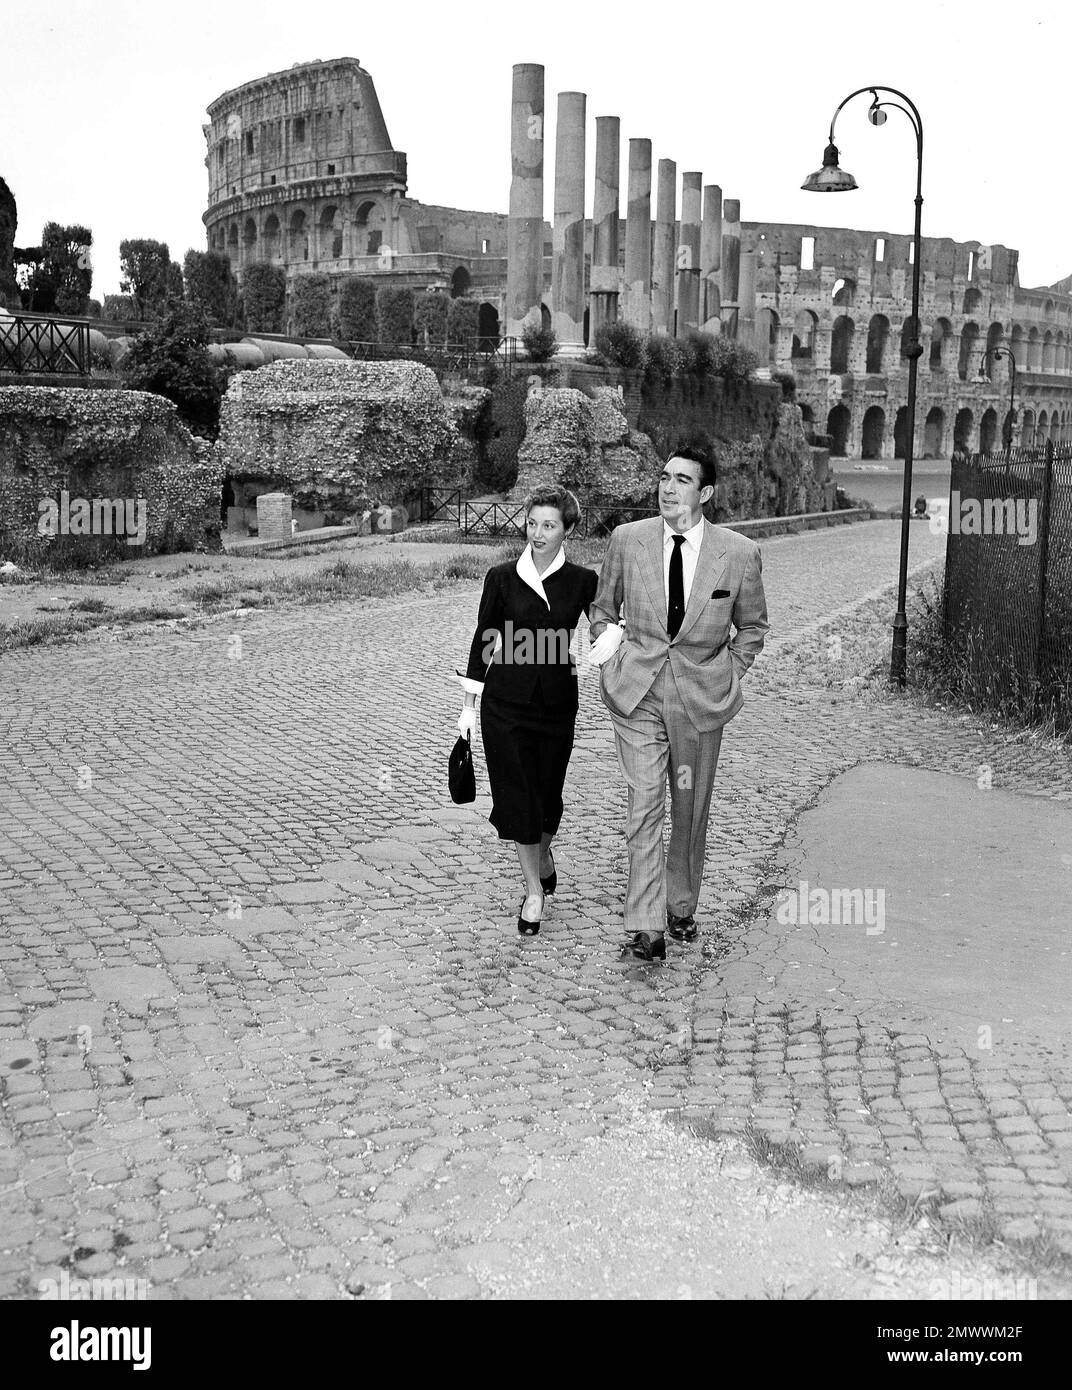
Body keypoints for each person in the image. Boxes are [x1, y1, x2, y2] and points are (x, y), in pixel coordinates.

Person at [588, 446, 770, 962]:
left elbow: (753, 627)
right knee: (644, 802)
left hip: (700, 698)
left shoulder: (737, 553)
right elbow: (602, 609)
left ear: (705, 492)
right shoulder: (628, 541)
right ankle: (646, 925)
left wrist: (729, 672)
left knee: (689, 808)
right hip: (637, 693)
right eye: (664, 477)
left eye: (682, 480)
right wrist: (611, 654)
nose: (668, 488)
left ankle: (682, 904)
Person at [456, 486, 598, 936]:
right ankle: (533, 890)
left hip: (557, 704)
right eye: (532, 523)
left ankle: (544, 852)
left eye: (549, 525)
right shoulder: (500, 577)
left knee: (548, 795)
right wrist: (468, 706)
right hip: (505, 704)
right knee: (517, 796)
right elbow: (484, 638)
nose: (537, 533)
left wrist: (614, 639)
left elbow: (603, 628)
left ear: (568, 530)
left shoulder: (582, 581)